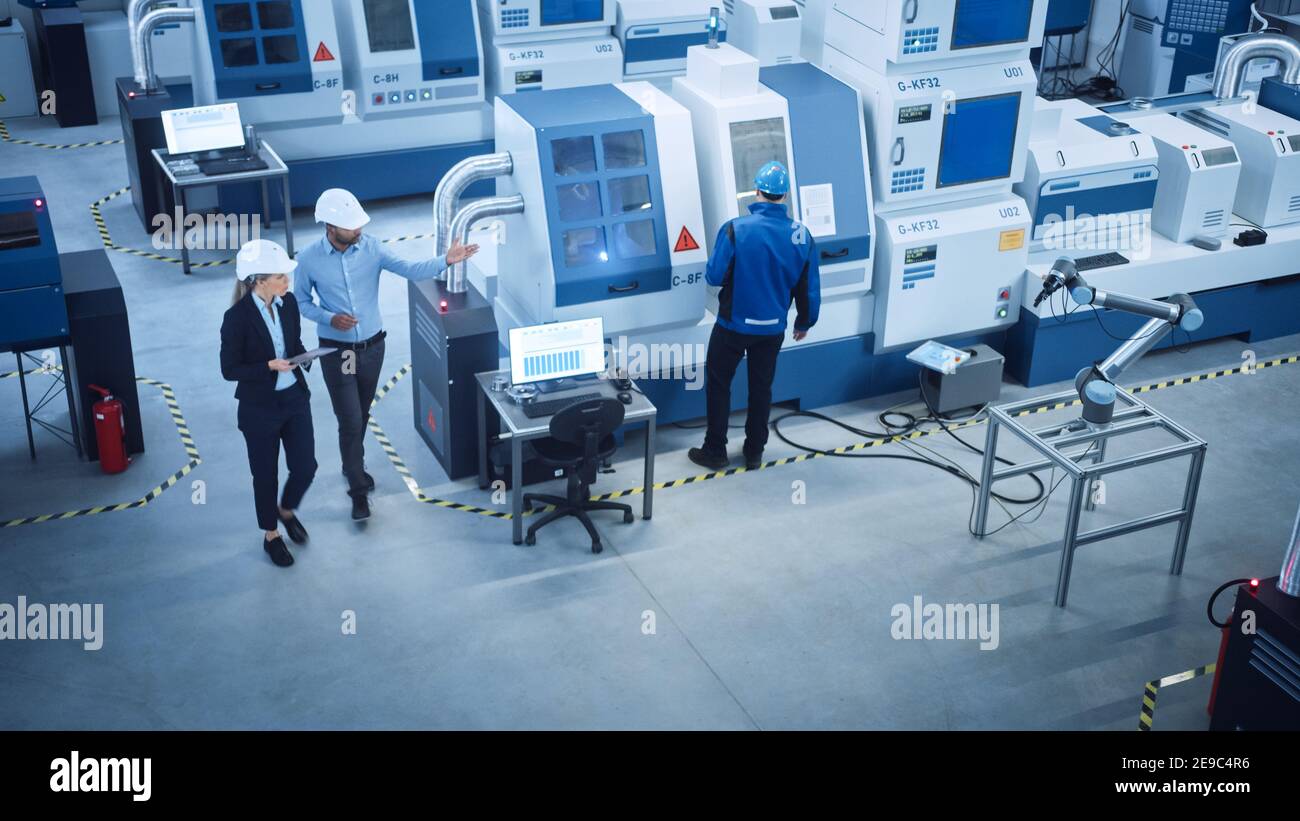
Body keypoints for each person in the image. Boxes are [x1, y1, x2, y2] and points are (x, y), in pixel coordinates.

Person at [294, 189, 480, 521]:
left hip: (373, 348)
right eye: (351, 227)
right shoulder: (308, 260)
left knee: (361, 414)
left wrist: (445, 261)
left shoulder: (373, 248)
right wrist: (328, 318)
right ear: (330, 227)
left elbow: (410, 268)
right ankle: (358, 490)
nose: (358, 231)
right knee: (349, 419)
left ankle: (352, 462)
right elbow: (302, 302)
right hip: (337, 352)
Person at [688, 161, 821, 473]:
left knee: (720, 385)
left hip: (732, 325)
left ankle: (715, 451)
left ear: (757, 192)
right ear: (785, 195)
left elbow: (715, 276)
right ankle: (754, 451)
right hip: (772, 328)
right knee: (762, 388)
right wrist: (804, 321)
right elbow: (809, 285)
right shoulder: (802, 235)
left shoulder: (736, 228)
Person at [220, 240, 318, 568]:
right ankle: (271, 534)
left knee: (306, 466)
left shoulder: (287, 304)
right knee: (265, 475)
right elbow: (229, 369)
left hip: (294, 399)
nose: (288, 282)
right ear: (260, 281)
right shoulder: (236, 318)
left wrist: (304, 357)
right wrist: (267, 367)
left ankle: (286, 510)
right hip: (259, 408)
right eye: (281, 276)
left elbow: (294, 341)